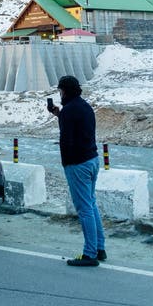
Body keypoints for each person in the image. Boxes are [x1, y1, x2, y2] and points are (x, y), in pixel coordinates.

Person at [50, 75, 106, 267]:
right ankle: (100, 248)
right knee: (91, 204)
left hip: (77, 164)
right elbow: (77, 127)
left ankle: (89, 254)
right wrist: (59, 115)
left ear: (64, 91)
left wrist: (66, 163)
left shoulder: (68, 111)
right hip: (92, 159)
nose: (60, 94)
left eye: (60, 90)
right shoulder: (85, 106)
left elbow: (67, 139)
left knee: (84, 209)